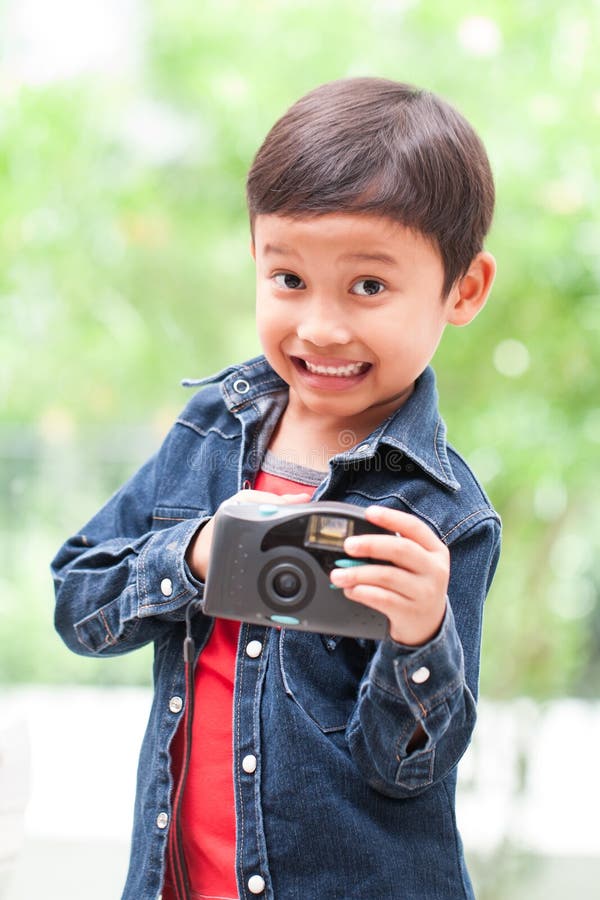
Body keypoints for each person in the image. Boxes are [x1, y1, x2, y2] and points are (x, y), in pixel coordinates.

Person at [52, 77, 501, 900]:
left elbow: (408, 771)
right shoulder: (209, 434)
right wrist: (193, 555)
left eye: (369, 287)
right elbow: (77, 601)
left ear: (463, 289)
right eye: (289, 278)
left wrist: (420, 638)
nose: (320, 327)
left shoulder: (445, 516)